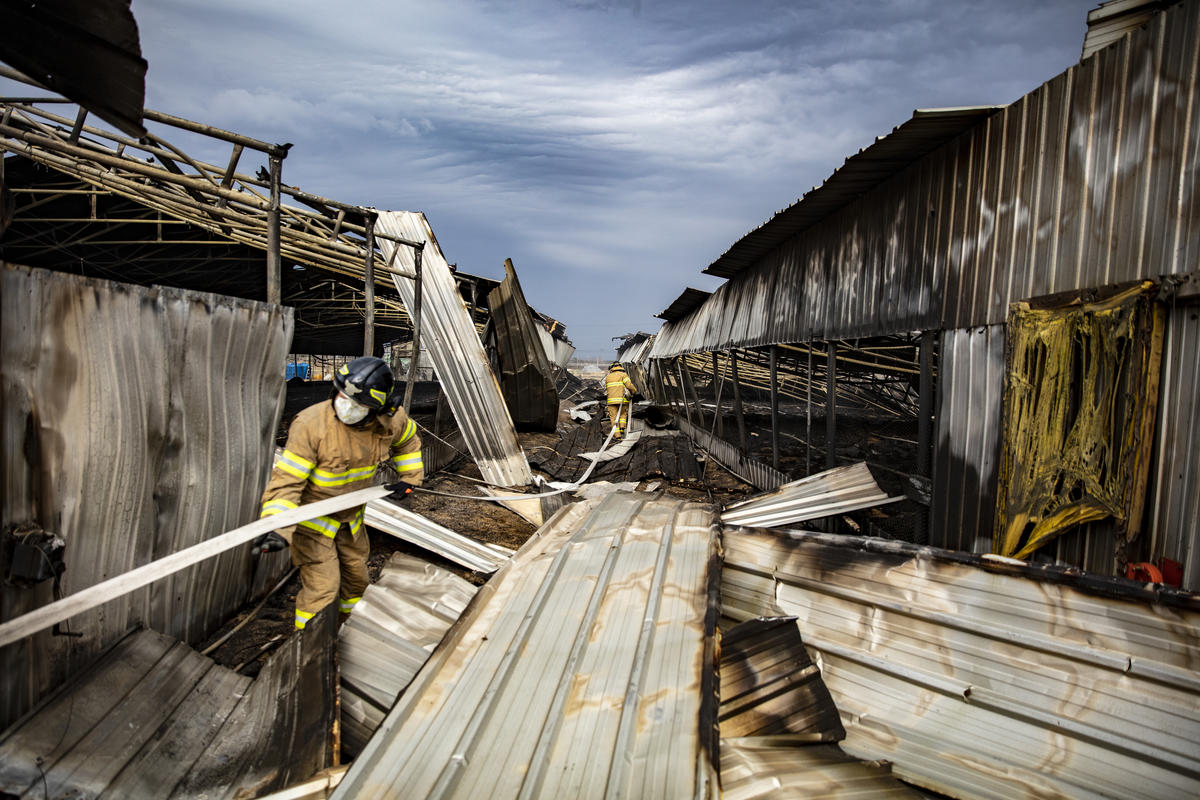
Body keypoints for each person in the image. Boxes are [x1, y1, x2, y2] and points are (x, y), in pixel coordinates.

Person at [253, 356, 423, 630]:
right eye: (342, 395)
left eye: (358, 405)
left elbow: (408, 442)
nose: (346, 406)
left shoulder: (390, 419)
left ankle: (348, 636)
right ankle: (310, 650)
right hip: (313, 524)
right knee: (323, 589)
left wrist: (409, 479)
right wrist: (277, 527)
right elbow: (287, 481)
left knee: (357, 583)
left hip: (351, 522)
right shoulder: (310, 425)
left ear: (378, 408)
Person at [604, 360, 637, 440]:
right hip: (622, 400)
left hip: (611, 401)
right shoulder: (623, 375)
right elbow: (629, 385)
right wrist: (634, 391)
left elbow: (607, 389)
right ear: (620, 367)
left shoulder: (608, 377)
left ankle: (617, 436)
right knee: (623, 414)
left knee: (613, 418)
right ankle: (622, 428)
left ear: (611, 368)